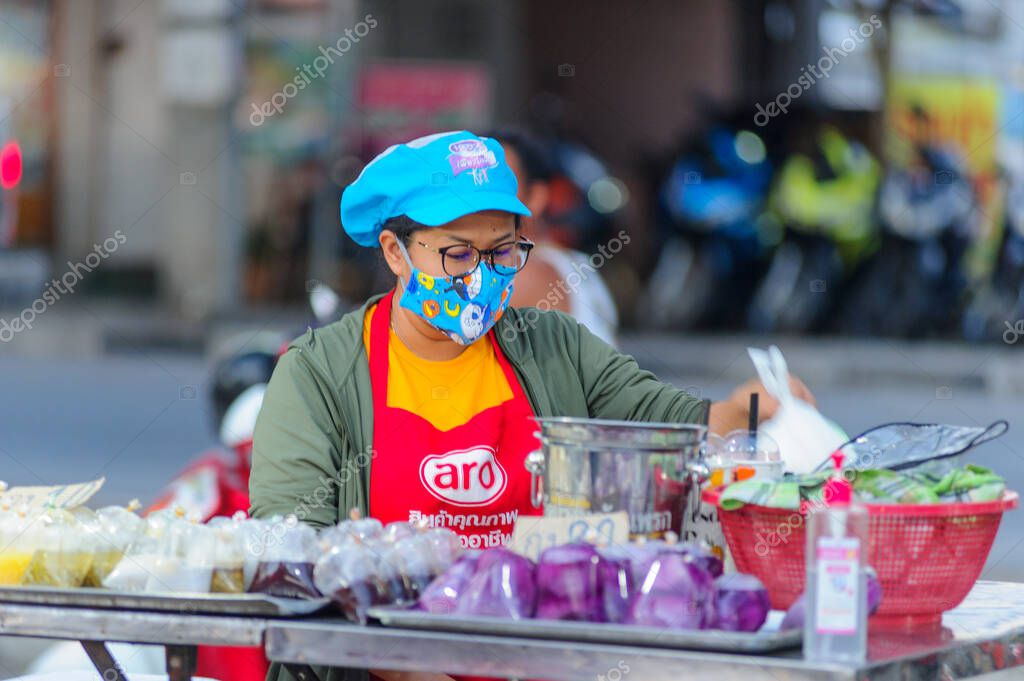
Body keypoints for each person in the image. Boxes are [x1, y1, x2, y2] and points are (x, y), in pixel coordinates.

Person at [249, 130, 813, 681]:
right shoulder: (320, 371)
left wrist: (748, 407)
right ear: (396, 252)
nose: (482, 277)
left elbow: (672, 424)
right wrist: (407, 669)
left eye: (502, 253)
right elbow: (297, 561)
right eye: (458, 254)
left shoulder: (553, 347)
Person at [489, 127, 619, 346]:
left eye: (498, 183)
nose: (481, 197)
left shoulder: (522, 273)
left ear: (536, 198)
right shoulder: (569, 261)